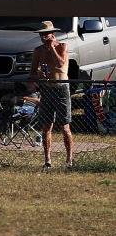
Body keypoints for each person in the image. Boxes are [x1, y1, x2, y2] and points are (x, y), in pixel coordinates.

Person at [28, 20, 74, 167]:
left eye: (46, 34)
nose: (43, 38)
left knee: (64, 126)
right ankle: (47, 160)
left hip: (61, 88)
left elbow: (60, 64)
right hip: (47, 89)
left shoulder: (62, 46)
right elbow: (32, 73)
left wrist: (52, 48)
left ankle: (69, 159)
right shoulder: (38, 51)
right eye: (41, 35)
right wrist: (38, 76)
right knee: (46, 126)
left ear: (52, 34)